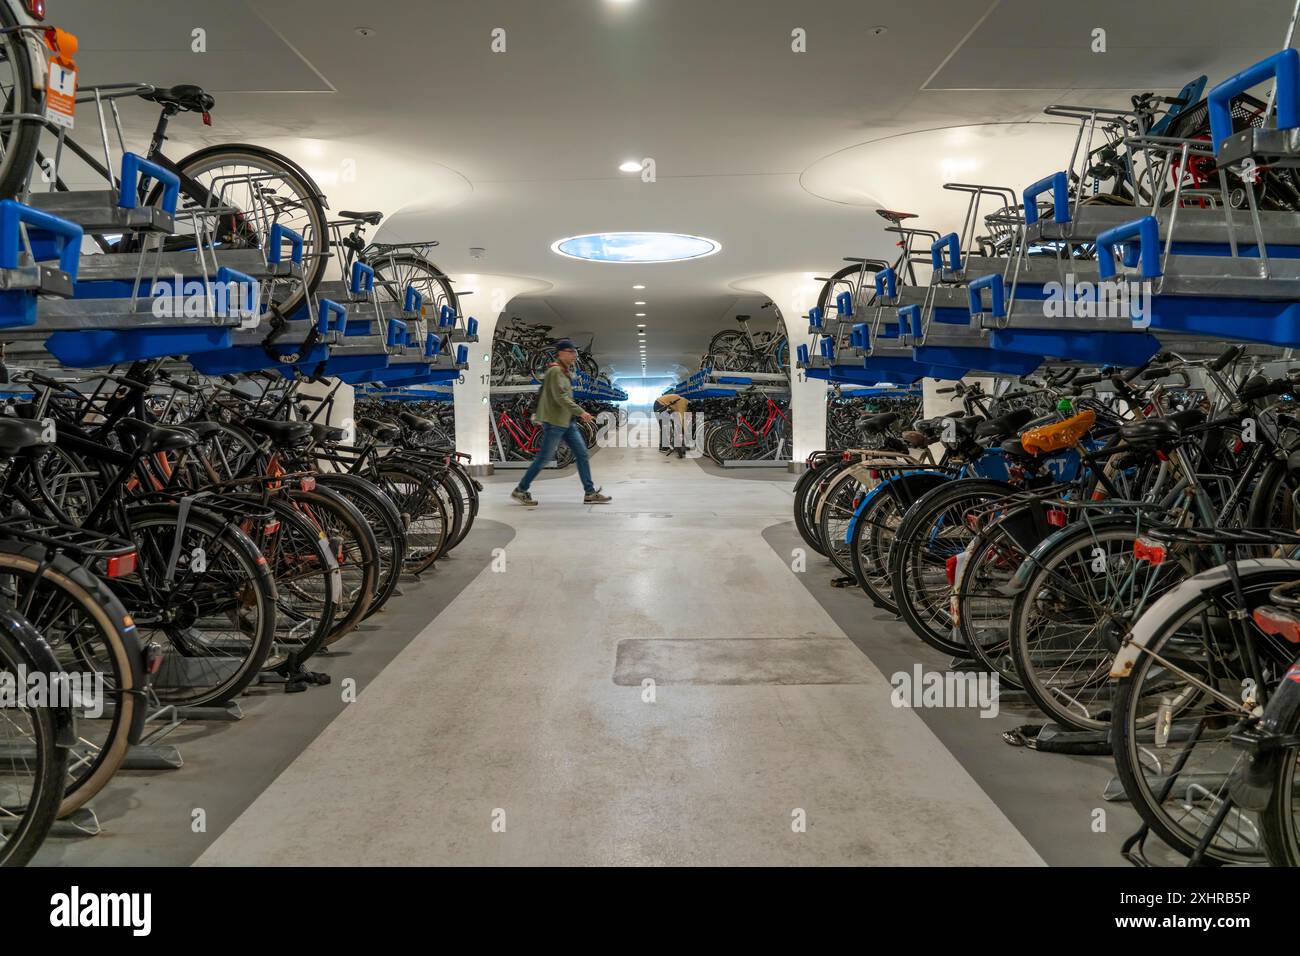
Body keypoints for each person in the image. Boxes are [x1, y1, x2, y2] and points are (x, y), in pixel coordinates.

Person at [511, 339, 612, 506]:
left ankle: (589, 492)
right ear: (561, 353)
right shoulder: (555, 371)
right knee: (543, 458)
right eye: (571, 352)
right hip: (555, 422)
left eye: (574, 352)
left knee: (582, 454)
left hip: (567, 422)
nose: (574, 355)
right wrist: (582, 412)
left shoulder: (565, 371)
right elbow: (561, 397)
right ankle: (520, 490)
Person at [654, 393, 689, 458]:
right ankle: (663, 447)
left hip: (663, 404)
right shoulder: (682, 404)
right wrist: (684, 430)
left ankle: (673, 442)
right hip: (660, 405)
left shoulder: (682, 401)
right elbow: (682, 418)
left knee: (671, 423)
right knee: (664, 426)